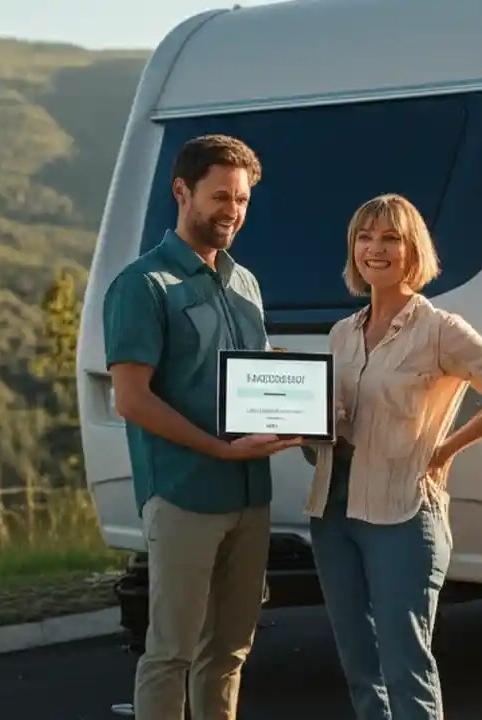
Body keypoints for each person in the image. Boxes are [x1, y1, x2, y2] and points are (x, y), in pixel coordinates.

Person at [304, 193, 482, 720]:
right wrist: (291, 419)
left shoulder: (440, 330)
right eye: (365, 237)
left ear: (414, 251)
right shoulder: (342, 333)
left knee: (404, 665)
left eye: (390, 238)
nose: (375, 248)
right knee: (359, 666)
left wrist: (446, 448)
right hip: (332, 512)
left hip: (403, 514)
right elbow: (333, 427)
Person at [103, 134, 301, 720]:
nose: (232, 211)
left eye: (241, 200)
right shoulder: (141, 285)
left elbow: (251, 375)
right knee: (172, 652)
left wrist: (291, 390)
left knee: (231, 650)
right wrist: (220, 449)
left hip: (249, 498)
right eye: (220, 197)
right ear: (181, 192)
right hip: (185, 494)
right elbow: (131, 401)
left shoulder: (245, 284)